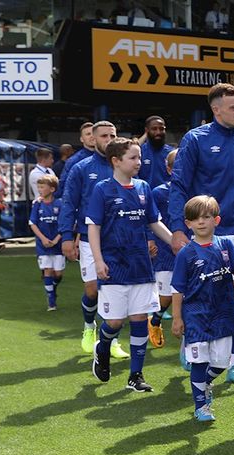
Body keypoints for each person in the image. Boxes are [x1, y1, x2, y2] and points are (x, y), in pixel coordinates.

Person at [170, 83, 234, 386]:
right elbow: (180, 186)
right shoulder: (195, 139)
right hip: (202, 232)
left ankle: (233, 363)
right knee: (203, 292)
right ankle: (191, 342)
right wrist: (177, 228)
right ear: (216, 109)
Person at [87, 137, 174, 392]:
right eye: (133, 158)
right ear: (116, 161)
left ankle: (135, 376)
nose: (139, 162)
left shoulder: (144, 187)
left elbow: (154, 222)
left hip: (142, 266)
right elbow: (94, 226)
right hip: (114, 266)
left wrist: (175, 243)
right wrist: (99, 260)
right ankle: (102, 348)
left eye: (139, 157)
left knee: (139, 319)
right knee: (114, 322)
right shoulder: (102, 189)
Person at [171, 196, 234, 421]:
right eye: (195, 219)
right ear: (188, 224)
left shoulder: (225, 245)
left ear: (216, 220)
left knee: (222, 363)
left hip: (223, 313)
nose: (201, 222)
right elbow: (177, 288)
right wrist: (177, 318)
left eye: (206, 217)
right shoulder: (186, 253)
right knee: (199, 361)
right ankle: (200, 407)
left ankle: (205, 384)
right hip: (196, 315)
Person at [59, 120, 129, 360]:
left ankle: (113, 340)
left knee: (115, 290)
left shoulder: (125, 165)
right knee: (92, 290)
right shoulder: (81, 167)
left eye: (112, 135)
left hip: (121, 240)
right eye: (103, 136)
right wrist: (67, 236)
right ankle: (89, 328)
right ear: (94, 139)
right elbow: (69, 203)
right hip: (91, 239)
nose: (108, 139)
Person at [148, 149, 178, 349]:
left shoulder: (198, 190)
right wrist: (150, 239)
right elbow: (149, 219)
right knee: (166, 296)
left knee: (189, 295)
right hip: (165, 251)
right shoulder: (158, 192)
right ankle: (155, 320)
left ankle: (190, 346)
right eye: (176, 166)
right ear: (168, 169)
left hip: (191, 250)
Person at [28, 175, 64, 311]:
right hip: (43, 245)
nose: (40, 190)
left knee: (58, 274)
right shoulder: (37, 204)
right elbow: (33, 223)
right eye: (38, 187)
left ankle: (52, 288)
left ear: (52, 189)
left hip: (57, 244)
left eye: (42, 187)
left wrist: (56, 239)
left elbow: (65, 224)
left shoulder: (59, 204)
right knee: (47, 270)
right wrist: (43, 238)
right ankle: (51, 300)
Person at [58, 122, 96, 197]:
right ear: (82, 139)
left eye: (93, 133)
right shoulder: (74, 161)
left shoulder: (108, 158)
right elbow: (64, 185)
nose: (92, 136)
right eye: (88, 134)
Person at [138, 116, 174, 189]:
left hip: (165, 196)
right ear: (147, 130)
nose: (158, 132)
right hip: (143, 196)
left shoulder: (172, 153)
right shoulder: (139, 152)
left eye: (161, 129)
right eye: (154, 129)